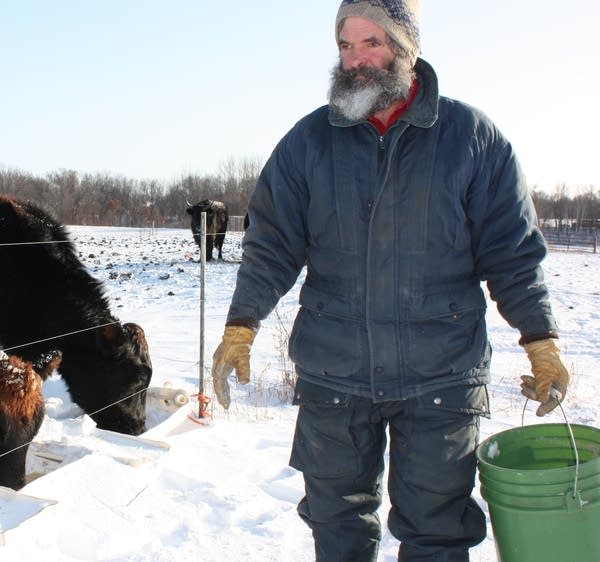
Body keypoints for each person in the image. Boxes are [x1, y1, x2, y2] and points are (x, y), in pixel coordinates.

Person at [209, 1, 571, 560]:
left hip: (441, 374)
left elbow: (512, 254)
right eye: (345, 46)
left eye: (370, 44)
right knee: (336, 525)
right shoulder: (309, 142)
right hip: (335, 373)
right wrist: (241, 324)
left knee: (436, 531)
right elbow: (271, 245)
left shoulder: (472, 140)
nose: (355, 61)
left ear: (407, 50)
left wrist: (540, 341)